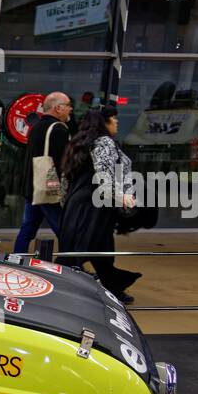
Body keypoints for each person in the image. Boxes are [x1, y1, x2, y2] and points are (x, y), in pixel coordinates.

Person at [58, 105, 141, 303]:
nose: (117, 122)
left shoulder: (78, 142)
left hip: (77, 203)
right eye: (114, 119)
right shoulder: (104, 142)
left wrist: (65, 203)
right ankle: (65, 290)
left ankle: (111, 287)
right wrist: (122, 197)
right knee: (88, 251)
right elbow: (105, 175)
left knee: (87, 250)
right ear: (104, 123)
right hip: (94, 206)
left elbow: (65, 177)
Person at [12, 91, 72, 254]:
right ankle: (75, 267)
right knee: (66, 232)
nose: (70, 110)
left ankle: (17, 259)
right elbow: (63, 163)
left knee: (27, 230)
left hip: (33, 187)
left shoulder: (36, 126)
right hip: (48, 188)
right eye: (68, 106)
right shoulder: (59, 129)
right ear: (58, 108)